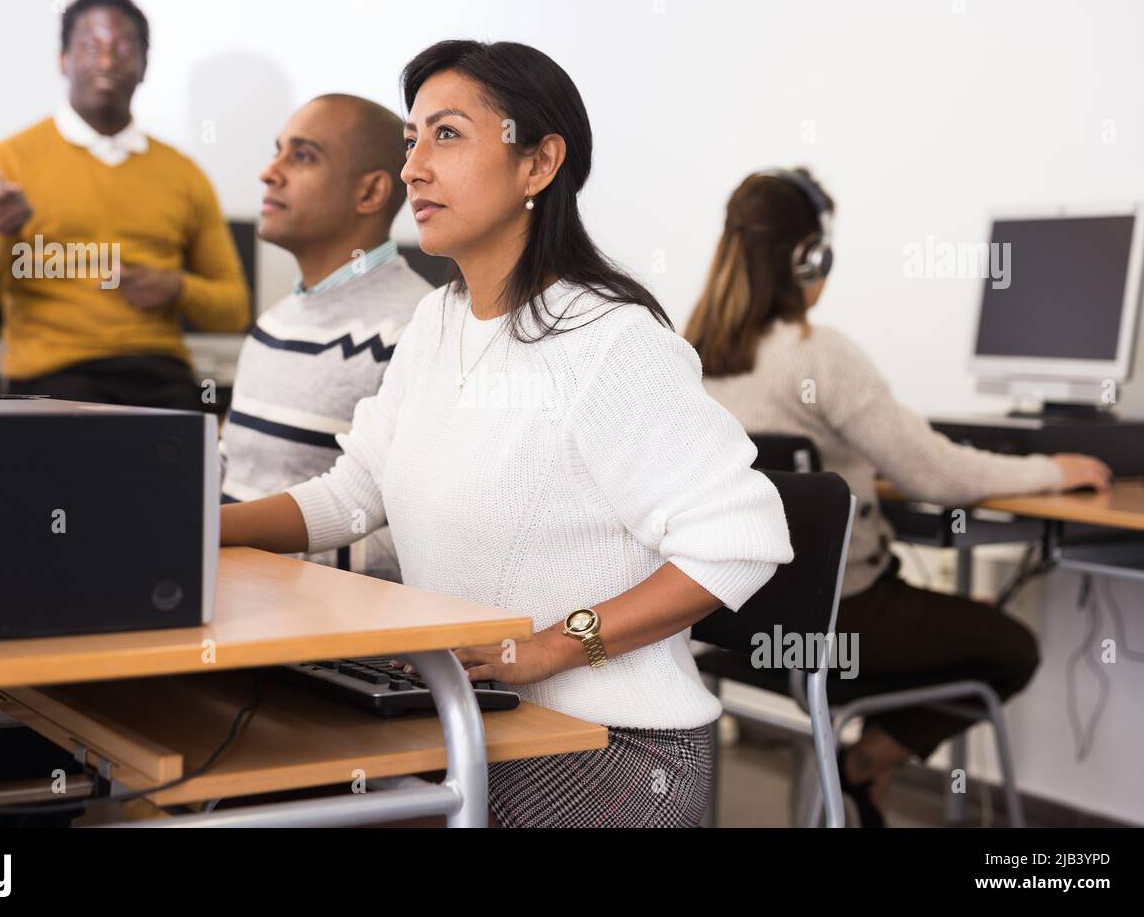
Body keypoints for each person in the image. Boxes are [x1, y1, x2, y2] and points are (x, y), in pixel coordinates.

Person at [220, 40, 794, 827]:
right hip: (476, 713)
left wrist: (559, 645)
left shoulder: (612, 342)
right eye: (412, 140)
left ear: (539, 162)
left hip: (611, 747)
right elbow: (353, 494)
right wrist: (201, 532)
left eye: (447, 135)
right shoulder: (437, 320)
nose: (416, 166)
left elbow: (739, 540)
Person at [686, 167, 1112, 826]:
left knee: (926, 617)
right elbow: (935, 476)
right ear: (810, 258)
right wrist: (1055, 469)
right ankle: (867, 761)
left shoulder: (694, 358)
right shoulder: (817, 355)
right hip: (837, 621)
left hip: (734, 620)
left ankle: (860, 766)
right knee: (1011, 647)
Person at [0, 0, 249, 409]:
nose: (106, 61)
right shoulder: (8, 161)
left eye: (123, 48)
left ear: (144, 66)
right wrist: (1, 231)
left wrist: (177, 288)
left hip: (158, 372)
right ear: (62, 60)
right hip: (50, 377)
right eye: (89, 46)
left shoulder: (184, 173)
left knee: (190, 455)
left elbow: (234, 310)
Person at [220, 94, 433, 582]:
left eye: (303, 155)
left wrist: (245, 559)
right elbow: (232, 470)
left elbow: (411, 537)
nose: (269, 172)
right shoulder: (273, 323)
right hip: (229, 587)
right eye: (277, 150)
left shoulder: (415, 328)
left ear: (371, 193)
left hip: (312, 622)